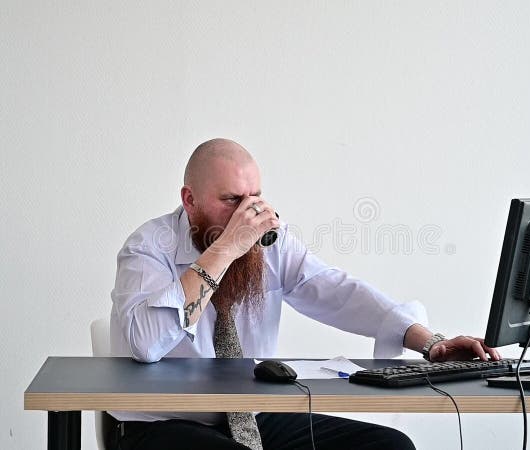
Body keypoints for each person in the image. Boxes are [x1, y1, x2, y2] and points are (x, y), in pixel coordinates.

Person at [107, 138, 501, 450]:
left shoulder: (272, 244)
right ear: (189, 200)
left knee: (391, 445)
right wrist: (226, 249)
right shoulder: (148, 248)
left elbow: (337, 291)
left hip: (253, 417)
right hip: (161, 424)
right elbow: (146, 343)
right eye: (231, 200)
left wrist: (431, 343)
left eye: (254, 197)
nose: (249, 213)